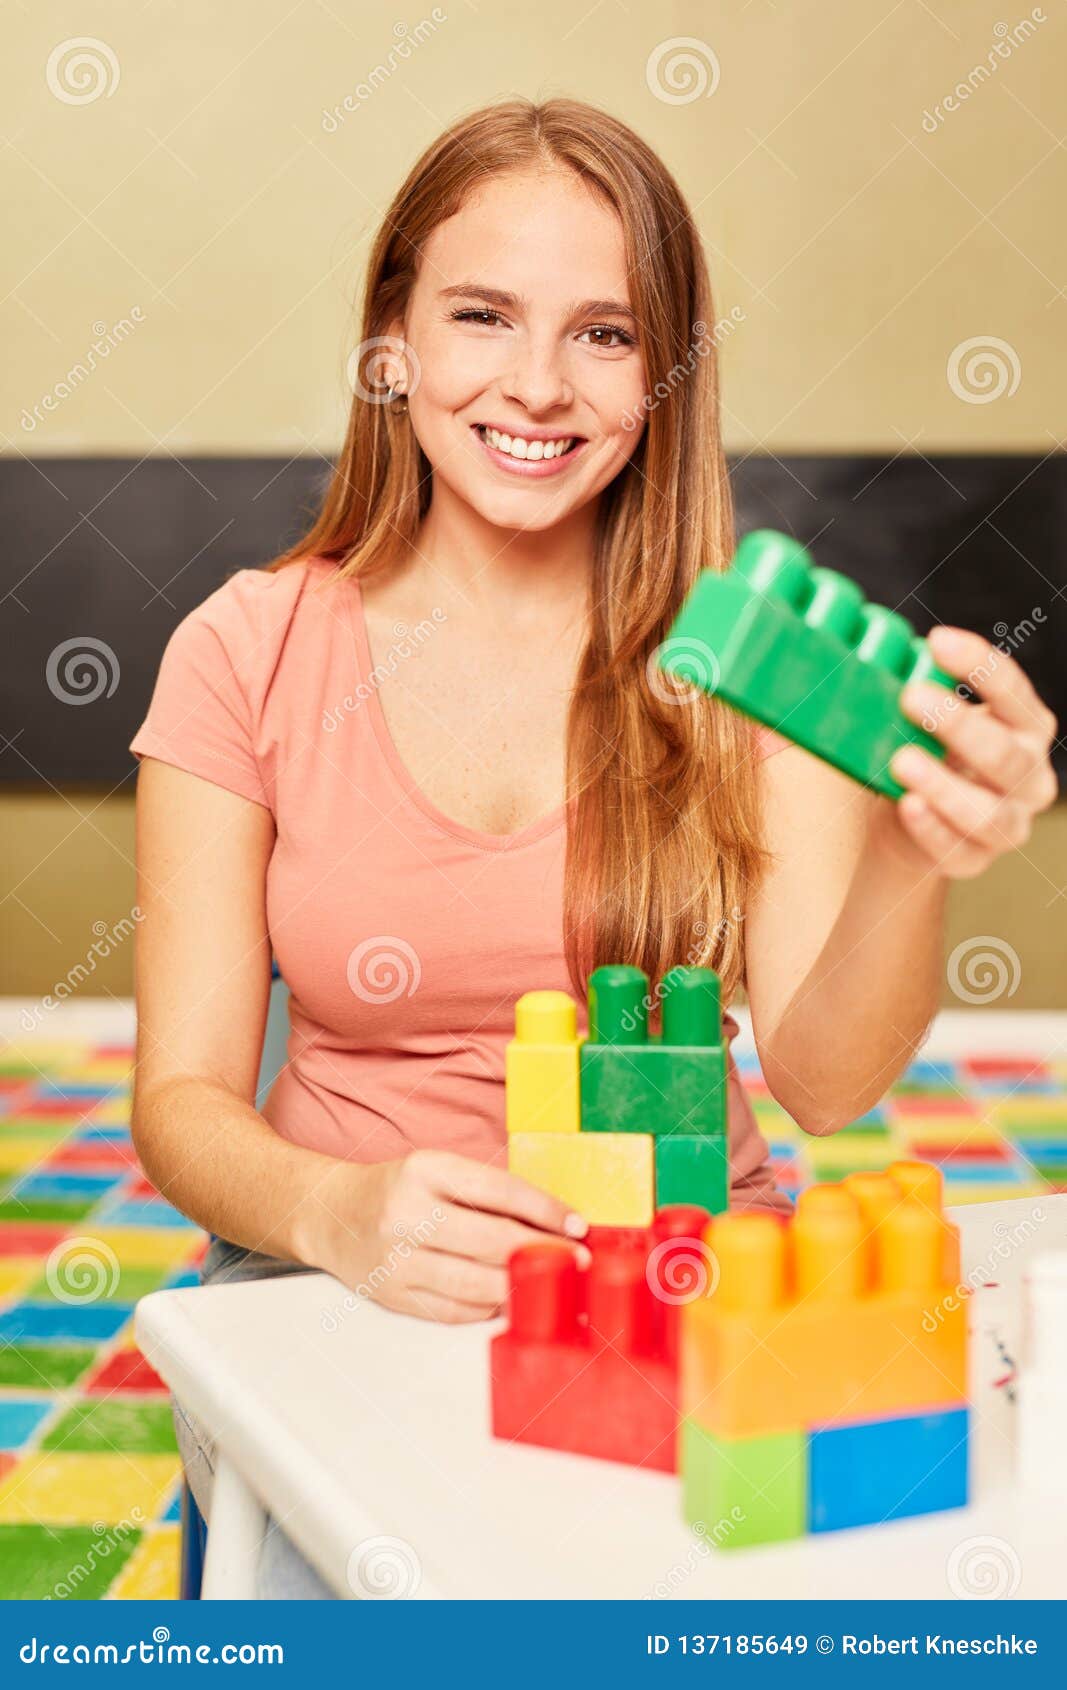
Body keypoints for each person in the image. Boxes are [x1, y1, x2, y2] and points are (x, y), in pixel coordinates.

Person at [129, 98, 1058, 1596]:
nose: (539, 386)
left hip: (687, 1288)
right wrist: (333, 1210)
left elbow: (825, 1081)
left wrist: (913, 855)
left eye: (606, 335)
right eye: (482, 315)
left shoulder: (752, 663)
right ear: (392, 340)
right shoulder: (247, 651)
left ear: (664, 374)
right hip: (341, 1288)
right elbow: (179, 1102)